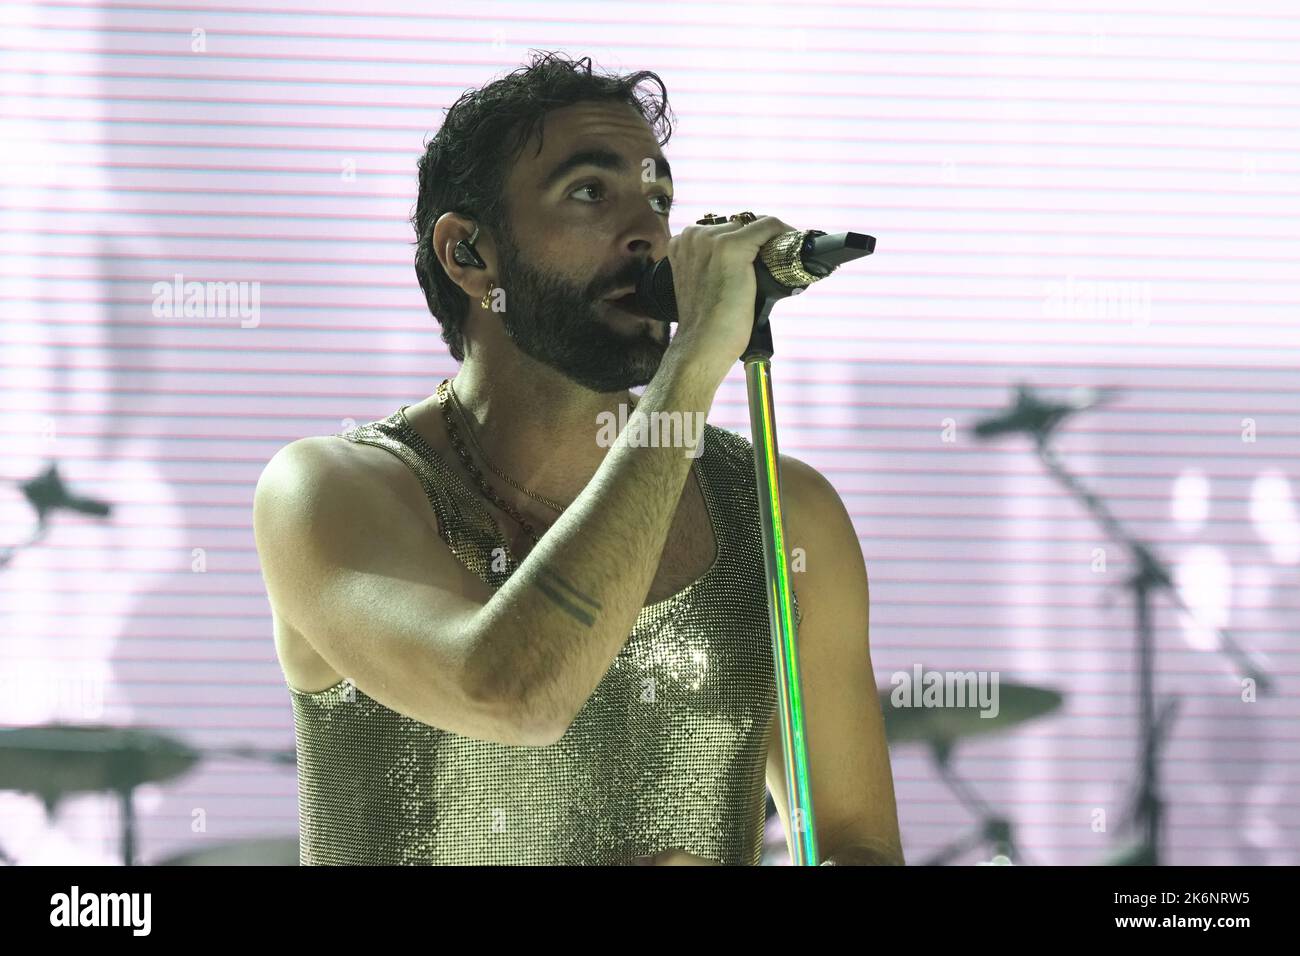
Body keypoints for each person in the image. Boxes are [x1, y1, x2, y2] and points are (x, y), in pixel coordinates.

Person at [254, 51, 902, 866]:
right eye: (591, 192)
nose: (651, 235)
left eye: (659, 197)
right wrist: (697, 355)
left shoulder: (781, 509)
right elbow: (516, 697)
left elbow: (858, 845)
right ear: (469, 256)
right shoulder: (327, 492)